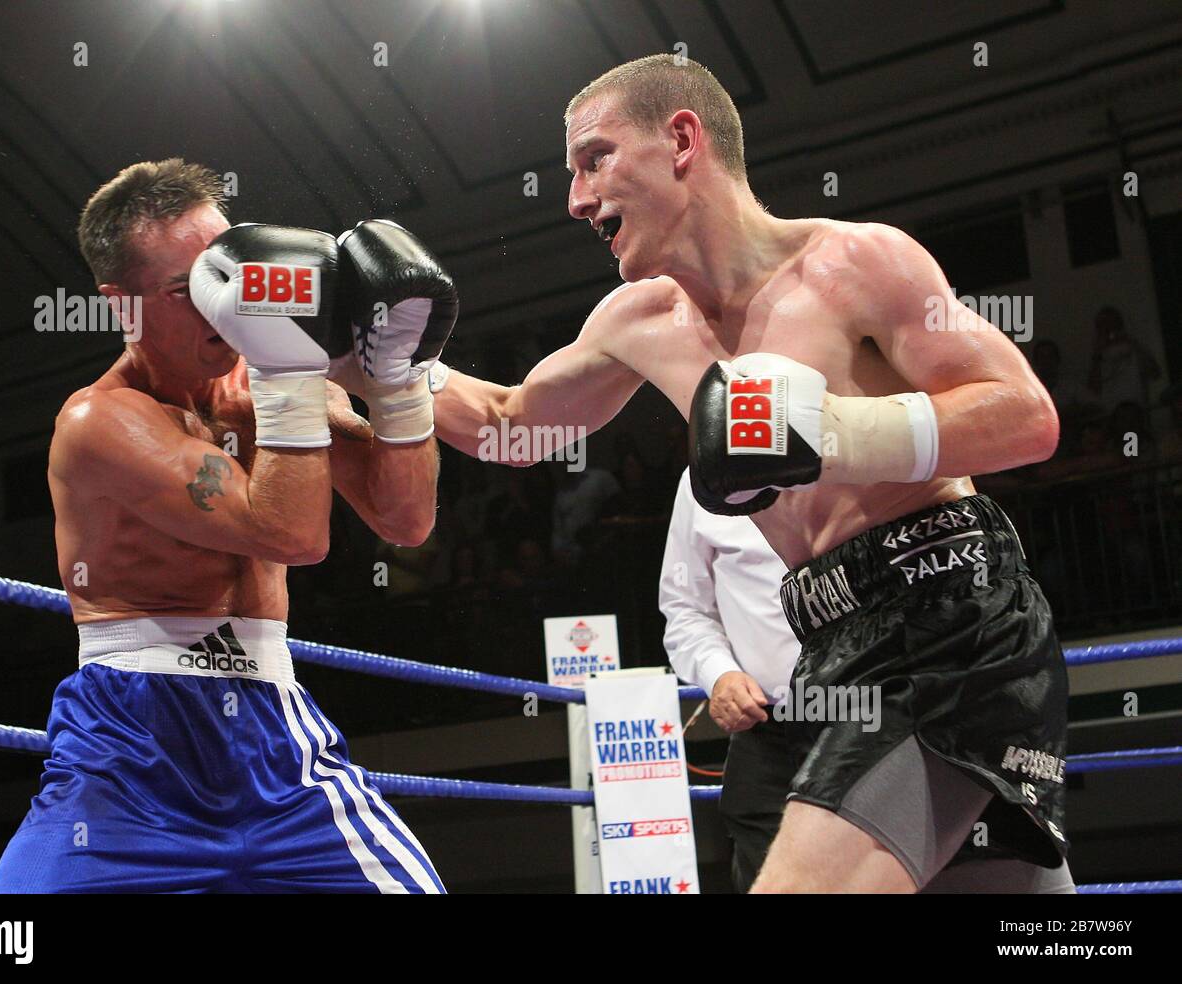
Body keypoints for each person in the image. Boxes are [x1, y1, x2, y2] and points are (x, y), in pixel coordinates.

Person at [406, 54, 1071, 892]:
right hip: (832, 640)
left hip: (948, 613)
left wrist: (834, 431)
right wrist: (384, 364)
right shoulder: (638, 319)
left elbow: (1026, 416)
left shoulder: (854, 264)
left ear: (681, 139)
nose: (575, 198)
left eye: (594, 159)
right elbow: (511, 428)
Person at [0, 159, 453, 893]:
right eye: (186, 292)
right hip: (128, 753)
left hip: (274, 737)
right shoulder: (99, 422)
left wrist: (396, 385)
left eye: (219, 276)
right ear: (122, 306)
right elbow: (295, 536)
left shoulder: (266, 377)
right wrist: (287, 372)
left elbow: (406, 520)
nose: (219, 308)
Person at [659, 469, 805, 892]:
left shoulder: (858, 441)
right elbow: (685, 609)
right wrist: (719, 674)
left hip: (873, 715)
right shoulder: (705, 475)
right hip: (767, 731)